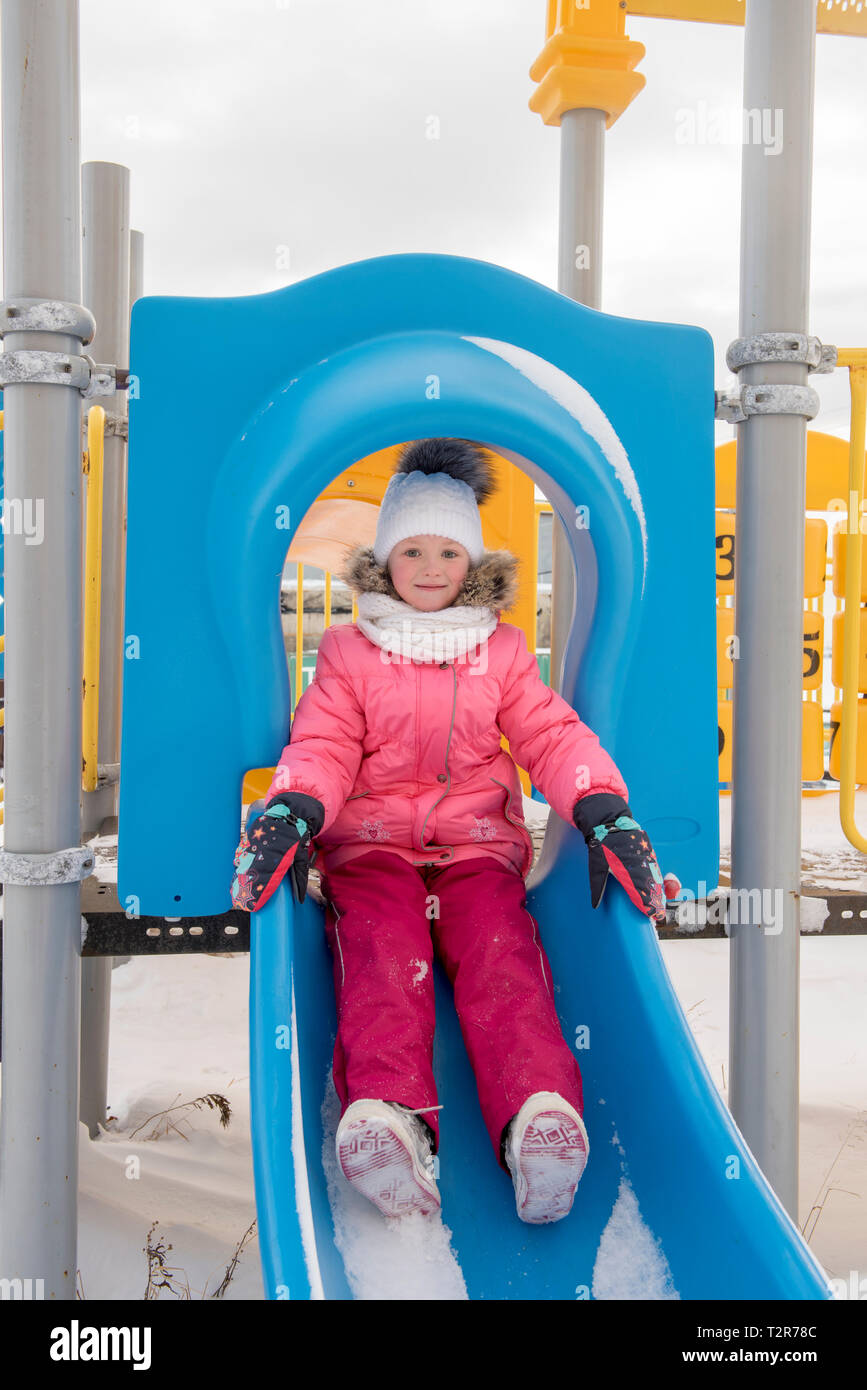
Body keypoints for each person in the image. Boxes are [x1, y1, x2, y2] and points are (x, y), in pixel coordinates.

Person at [231, 438, 675, 1225]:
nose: (430, 567)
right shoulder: (348, 650)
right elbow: (325, 744)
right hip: (370, 846)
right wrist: (296, 806)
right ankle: (391, 1117)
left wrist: (600, 804)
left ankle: (536, 1121)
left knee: (500, 952)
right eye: (411, 550)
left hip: (475, 849)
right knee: (381, 952)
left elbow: (550, 735)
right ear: (384, 561)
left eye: (447, 550)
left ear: (470, 563)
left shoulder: (500, 652)